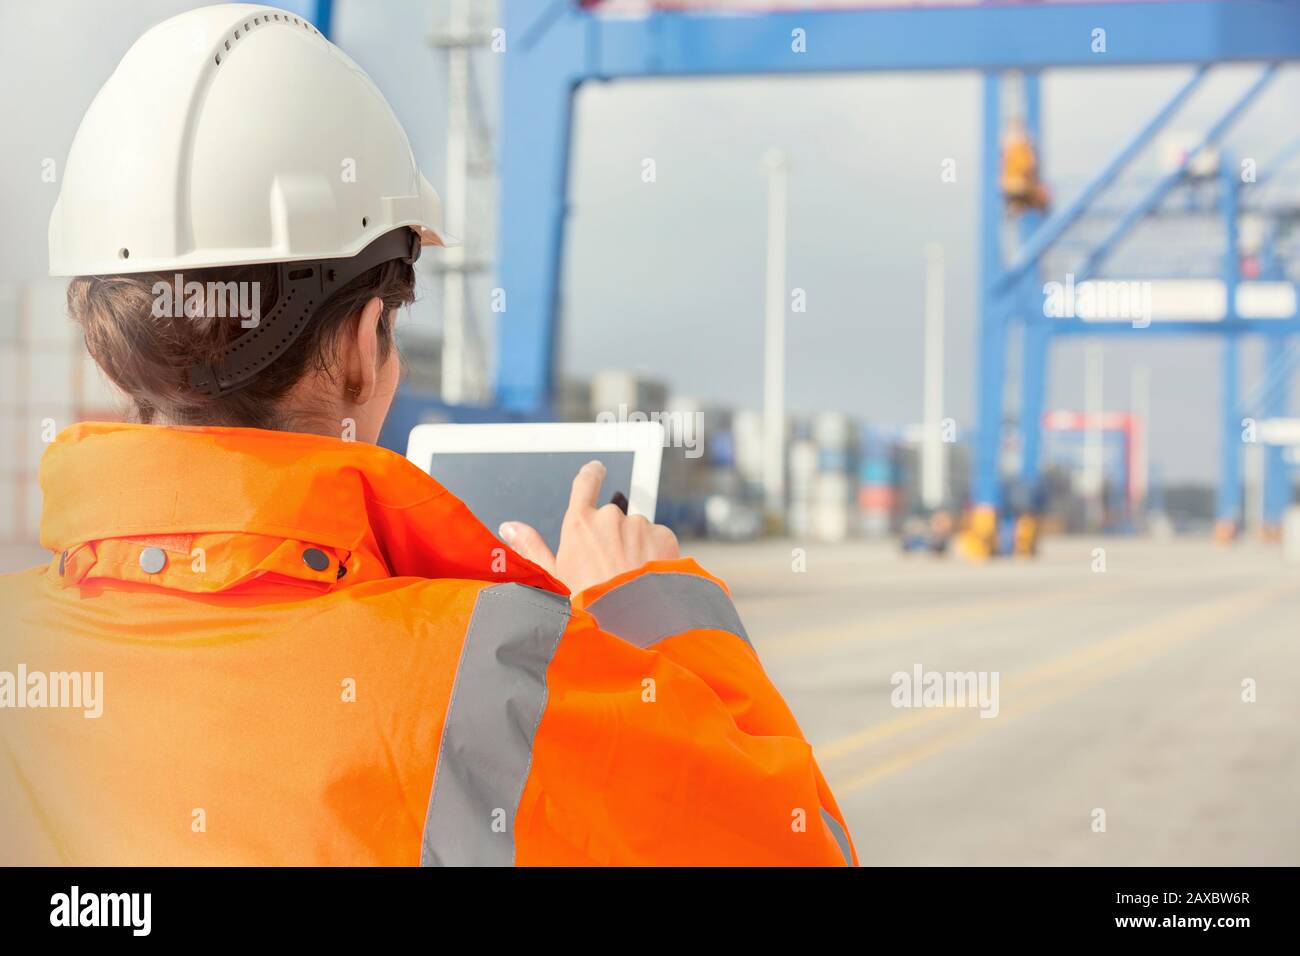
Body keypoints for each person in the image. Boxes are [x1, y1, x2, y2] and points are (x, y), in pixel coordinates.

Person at [0, 4, 854, 866]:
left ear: (112, 351)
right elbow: (808, 848)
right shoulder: (498, 672)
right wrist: (649, 604)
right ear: (361, 346)